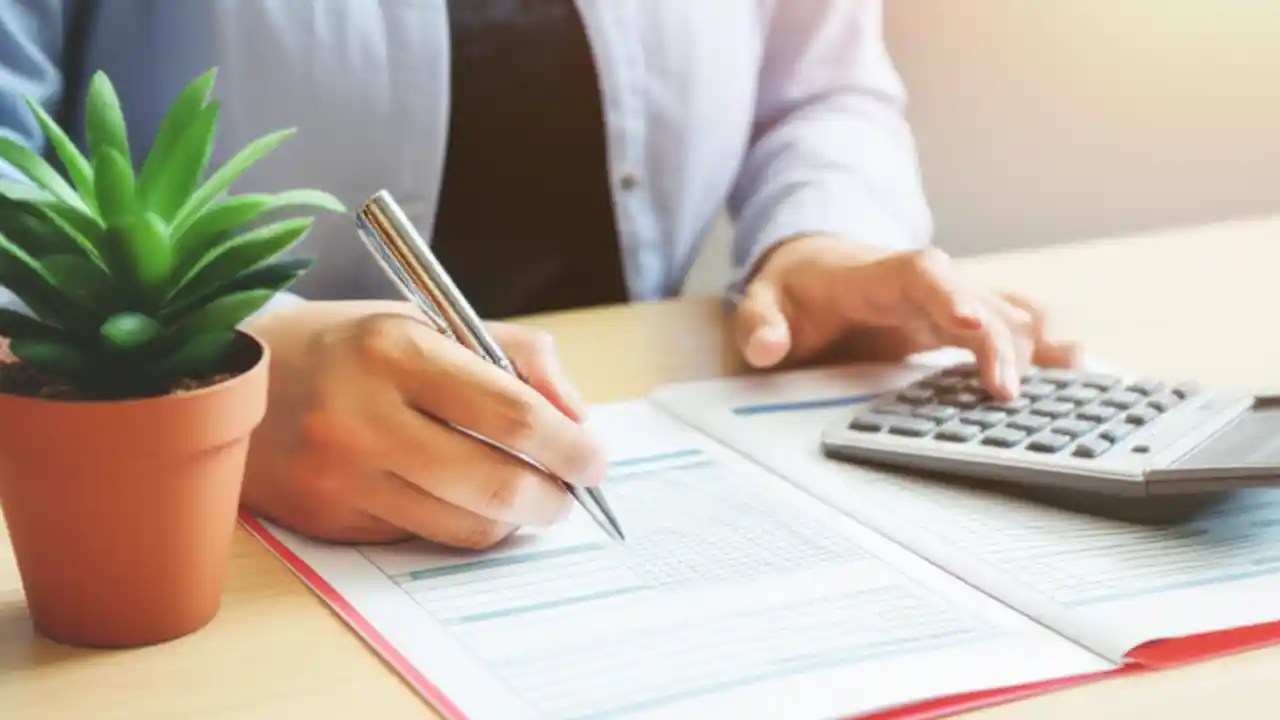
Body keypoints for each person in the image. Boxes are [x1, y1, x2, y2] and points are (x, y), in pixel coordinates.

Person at [0, 1, 1079, 549]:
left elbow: (818, 87)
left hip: (654, 405)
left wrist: (821, 238)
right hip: (181, 511)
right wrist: (227, 373)